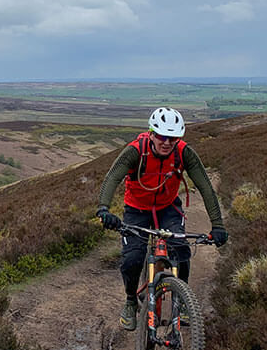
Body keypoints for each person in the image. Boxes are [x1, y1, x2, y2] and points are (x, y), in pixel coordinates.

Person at [95, 107, 228, 330]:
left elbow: (205, 186)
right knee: (132, 260)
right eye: (162, 136)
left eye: (173, 138)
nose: (167, 142)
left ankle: (183, 298)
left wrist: (218, 224)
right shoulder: (135, 151)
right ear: (152, 133)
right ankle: (130, 301)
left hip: (167, 208)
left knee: (181, 249)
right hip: (136, 209)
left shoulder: (184, 152)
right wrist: (104, 209)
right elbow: (112, 178)